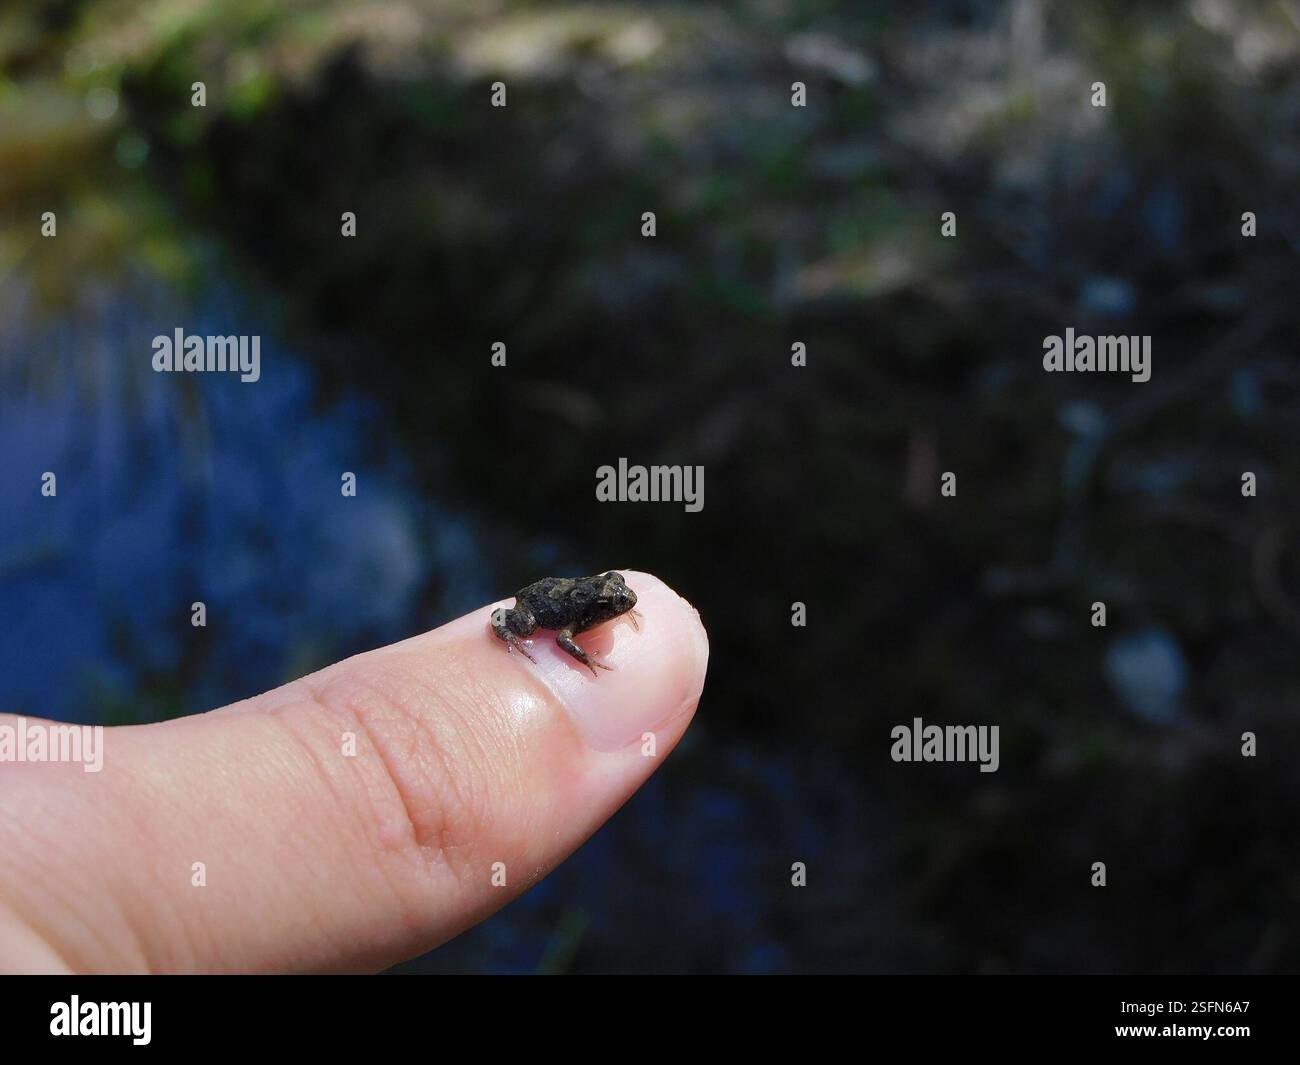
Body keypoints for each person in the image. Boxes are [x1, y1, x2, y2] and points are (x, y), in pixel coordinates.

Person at [0, 572, 707, 972]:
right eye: (613, 604)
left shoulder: (596, 602)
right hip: (529, 611)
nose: (617, 607)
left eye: (616, 603)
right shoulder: (578, 614)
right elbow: (558, 634)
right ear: (597, 605)